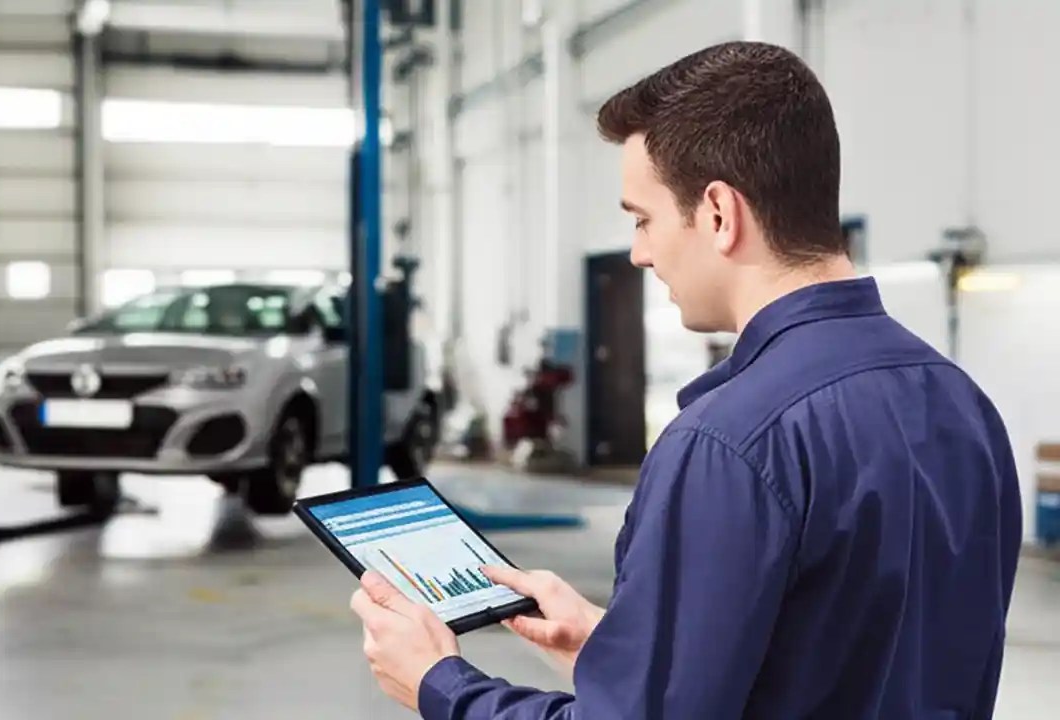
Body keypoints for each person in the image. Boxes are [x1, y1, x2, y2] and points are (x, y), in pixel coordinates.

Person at [349, 41, 1022, 719]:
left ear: (719, 214)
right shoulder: (962, 405)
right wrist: (612, 647)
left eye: (643, 220)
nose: (640, 252)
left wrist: (440, 683)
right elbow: (841, 663)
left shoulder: (729, 443)